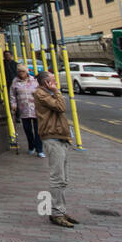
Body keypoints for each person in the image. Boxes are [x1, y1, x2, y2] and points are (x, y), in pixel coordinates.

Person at [35, 69, 79, 228]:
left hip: (60, 138)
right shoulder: (41, 94)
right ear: (46, 82)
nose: (55, 83)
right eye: (52, 80)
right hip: (52, 138)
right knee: (57, 178)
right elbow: (61, 107)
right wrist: (56, 92)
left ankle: (61, 209)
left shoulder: (47, 94)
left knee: (64, 178)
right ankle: (56, 213)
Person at [10, 65, 44, 158]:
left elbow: (41, 92)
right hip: (23, 108)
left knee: (38, 130)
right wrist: (13, 104)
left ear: (27, 72)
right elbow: (12, 94)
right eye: (19, 71)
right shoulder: (15, 82)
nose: (21, 73)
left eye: (23, 71)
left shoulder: (34, 81)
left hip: (36, 108)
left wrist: (37, 94)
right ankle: (31, 146)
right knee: (27, 129)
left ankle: (39, 149)